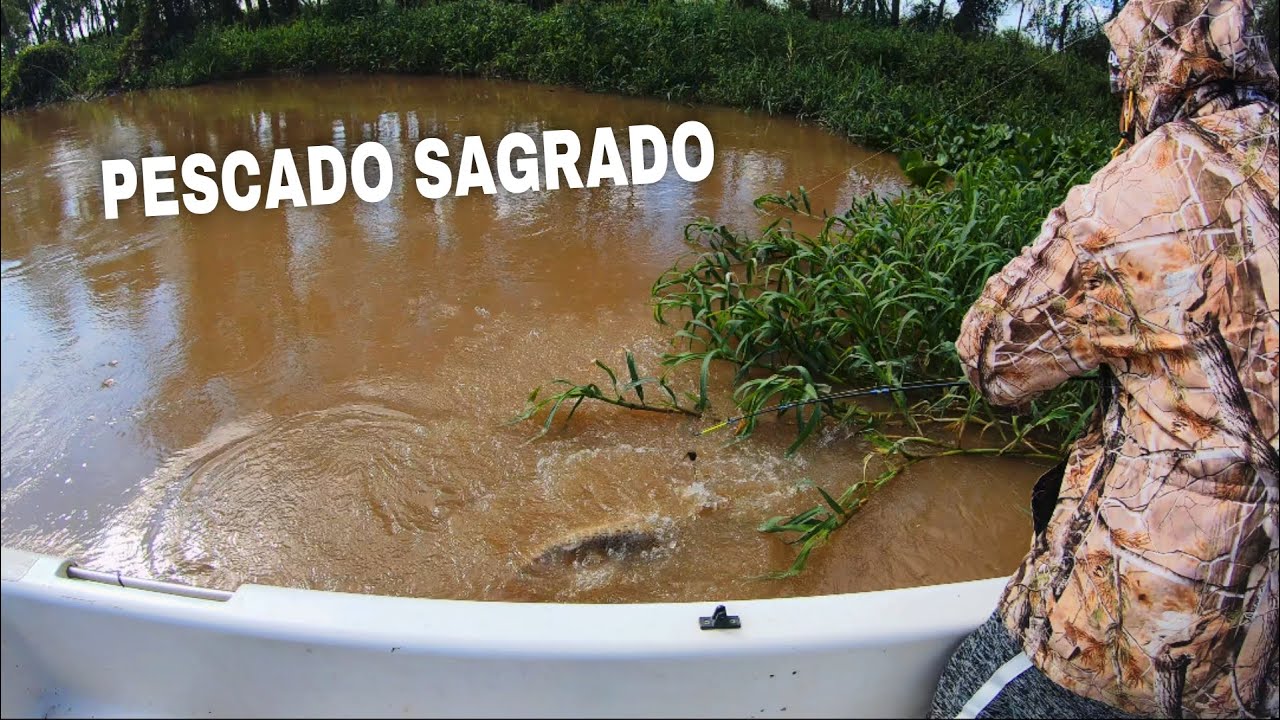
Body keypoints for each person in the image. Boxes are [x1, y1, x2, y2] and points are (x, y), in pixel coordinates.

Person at [929, 0, 1279, 717]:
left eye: (1124, 61)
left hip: (1127, 642)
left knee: (969, 690)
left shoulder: (1150, 180)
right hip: (1257, 675)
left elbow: (993, 359)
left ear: (1161, 55)